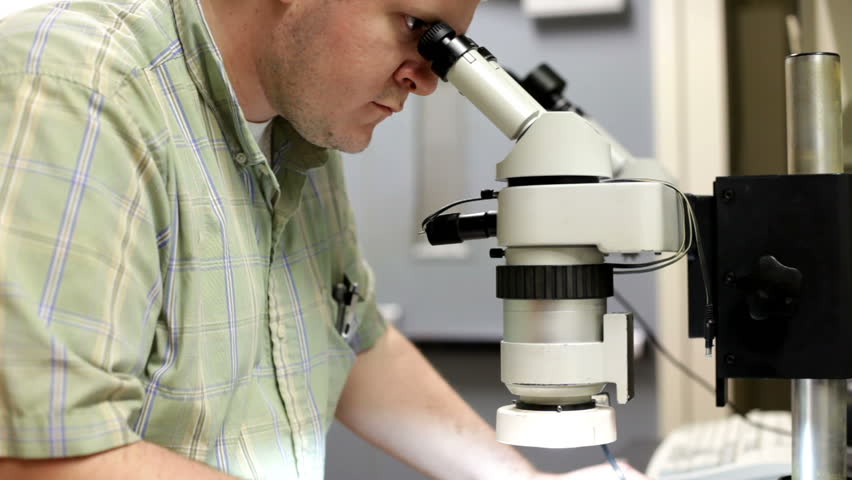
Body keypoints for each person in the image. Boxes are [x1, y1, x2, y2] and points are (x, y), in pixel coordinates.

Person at [0, 0, 648, 478]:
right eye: (417, 27)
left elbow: (353, 339)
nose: (427, 78)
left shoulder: (301, 129)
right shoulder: (78, 88)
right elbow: (45, 460)